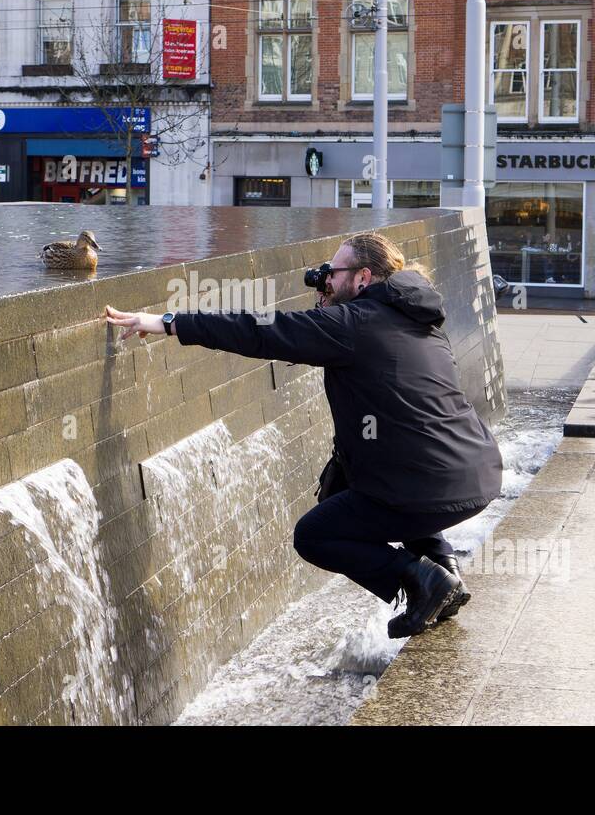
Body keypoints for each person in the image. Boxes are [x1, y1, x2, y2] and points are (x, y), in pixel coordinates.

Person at [106, 232, 504, 639]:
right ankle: (445, 573)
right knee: (363, 487)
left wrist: (169, 322)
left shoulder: (353, 324)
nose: (325, 280)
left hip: (428, 484)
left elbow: (262, 330)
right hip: (477, 474)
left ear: (363, 277)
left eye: (333, 273)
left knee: (315, 533)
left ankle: (422, 581)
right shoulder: (417, 319)